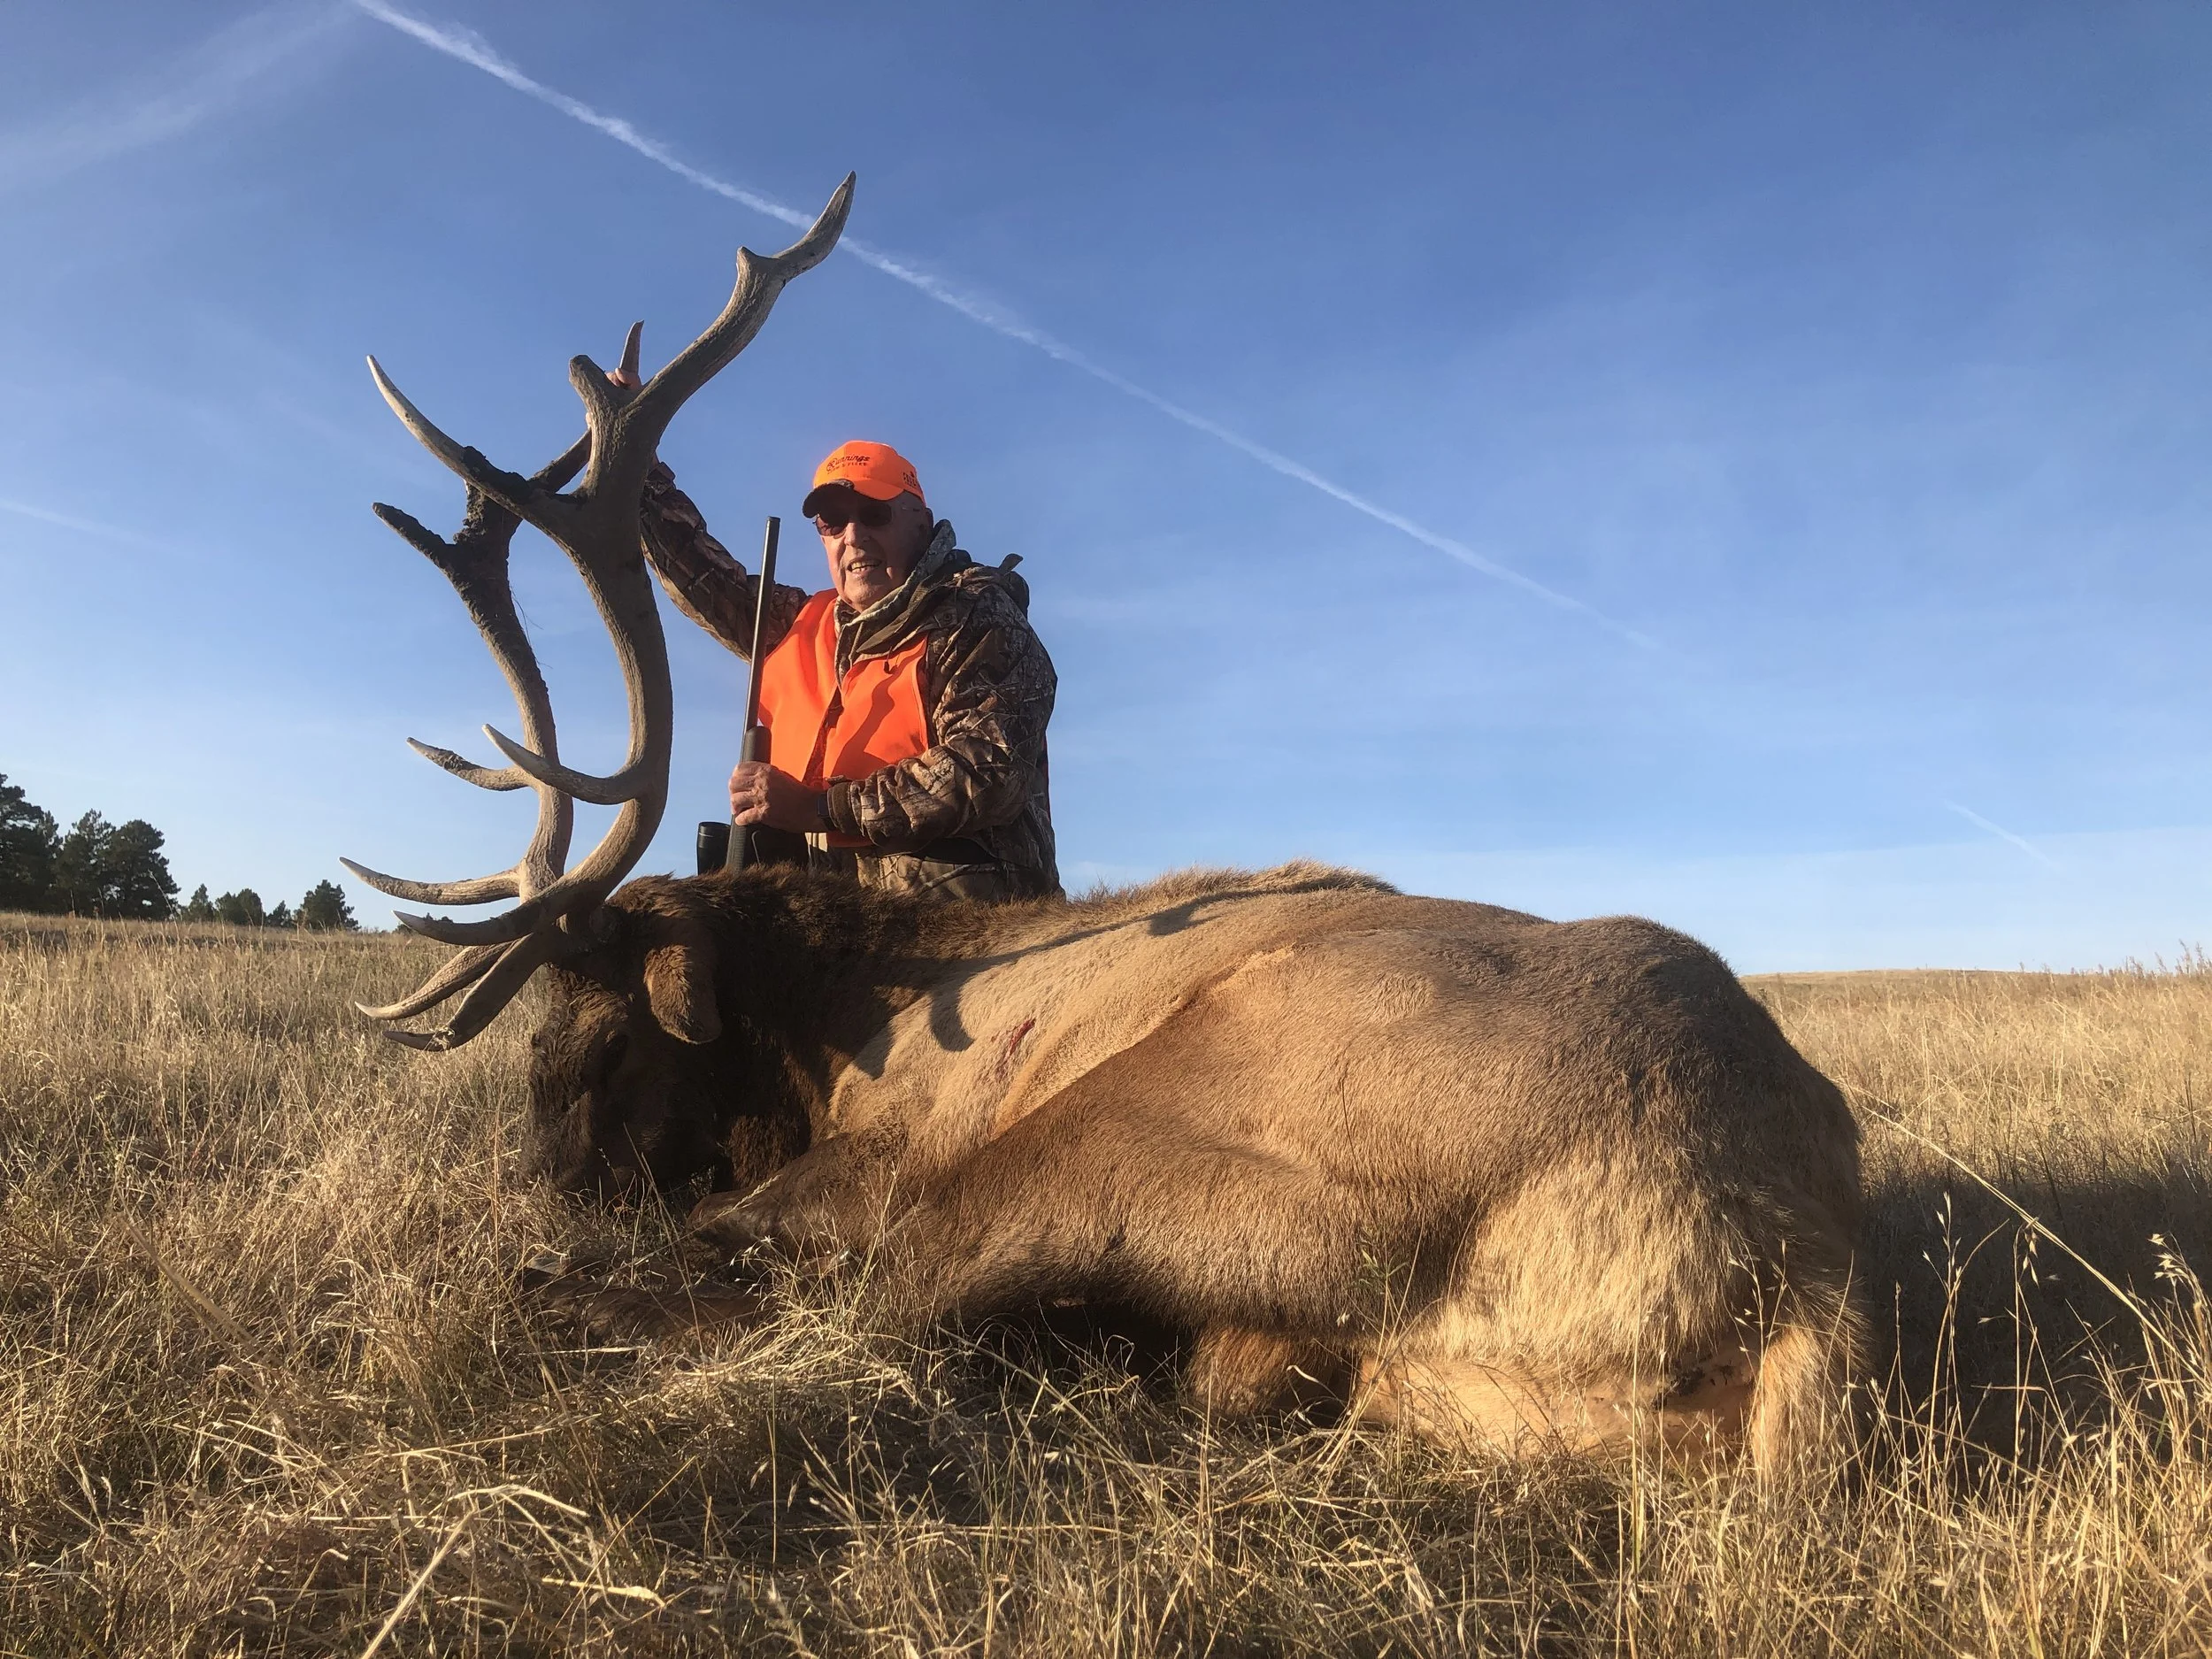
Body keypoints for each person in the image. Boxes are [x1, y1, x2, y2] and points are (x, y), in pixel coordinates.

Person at [636, 440, 1060, 902]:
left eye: (874, 512)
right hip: (834, 922)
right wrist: (641, 471)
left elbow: (989, 769)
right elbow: (711, 582)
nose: (853, 535)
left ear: (920, 521)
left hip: (964, 926)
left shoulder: (978, 620)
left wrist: (819, 808)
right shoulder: (797, 624)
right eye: (833, 522)